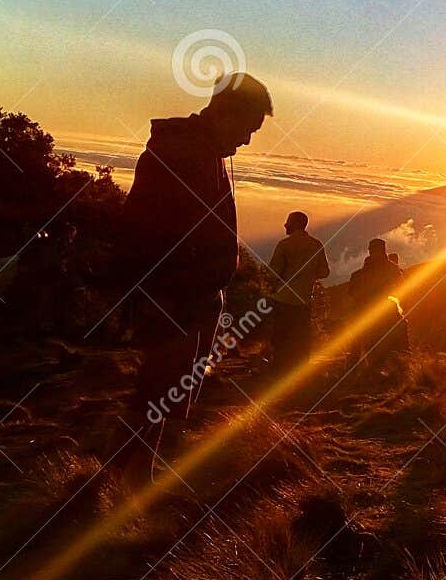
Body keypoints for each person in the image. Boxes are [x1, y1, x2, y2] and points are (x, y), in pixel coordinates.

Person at [113, 72, 272, 485]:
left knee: (167, 387)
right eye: (248, 128)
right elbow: (150, 230)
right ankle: (127, 478)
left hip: (192, 296)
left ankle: (136, 471)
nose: (248, 140)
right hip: (176, 296)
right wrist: (167, 291)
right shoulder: (183, 154)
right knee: (158, 386)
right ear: (226, 114)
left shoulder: (202, 153)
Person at [266, 211, 329, 369]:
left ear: (294, 224)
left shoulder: (284, 245)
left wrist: (271, 289)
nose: (285, 225)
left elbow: (273, 274)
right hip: (303, 300)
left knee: (281, 337)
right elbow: (324, 272)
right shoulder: (316, 244)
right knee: (300, 338)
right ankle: (298, 371)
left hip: (283, 300)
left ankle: (278, 370)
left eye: (288, 222)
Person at [348, 238, 407, 372]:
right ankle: (400, 363)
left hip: (367, 308)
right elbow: (400, 287)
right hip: (382, 307)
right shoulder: (392, 268)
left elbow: (352, 293)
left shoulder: (360, 273)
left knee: (361, 337)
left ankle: (354, 367)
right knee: (400, 328)